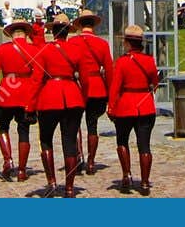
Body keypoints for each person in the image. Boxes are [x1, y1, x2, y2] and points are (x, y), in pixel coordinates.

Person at [28, 18, 85, 197]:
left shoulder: (45, 51)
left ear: (53, 32)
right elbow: (84, 78)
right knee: (70, 142)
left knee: (46, 139)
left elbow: (37, 79)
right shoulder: (76, 51)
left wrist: (30, 105)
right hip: (72, 97)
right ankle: (69, 186)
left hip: (49, 97)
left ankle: (51, 181)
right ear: (68, 32)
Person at [0, 19, 40, 181]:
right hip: (26, 95)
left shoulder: (2, 49)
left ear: (11, 34)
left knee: (2, 127)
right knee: (24, 131)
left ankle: (8, 159)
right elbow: (37, 76)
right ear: (25, 33)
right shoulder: (33, 50)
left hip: (6, 94)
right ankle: (22, 170)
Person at [107, 24, 159, 196]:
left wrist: (111, 106)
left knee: (122, 141)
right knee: (144, 145)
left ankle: (126, 174)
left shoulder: (121, 62)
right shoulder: (149, 60)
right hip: (145, 105)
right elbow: (155, 83)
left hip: (126, 105)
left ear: (128, 43)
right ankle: (144, 183)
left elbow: (115, 87)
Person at [65, 11, 114, 174]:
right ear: (93, 25)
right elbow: (109, 70)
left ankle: (78, 155)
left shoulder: (73, 42)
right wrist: (110, 92)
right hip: (97, 87)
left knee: (74, 124)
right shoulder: (102, 44)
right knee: (92, 125)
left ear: (79, 25)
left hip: (78, 86)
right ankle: (91, 162)